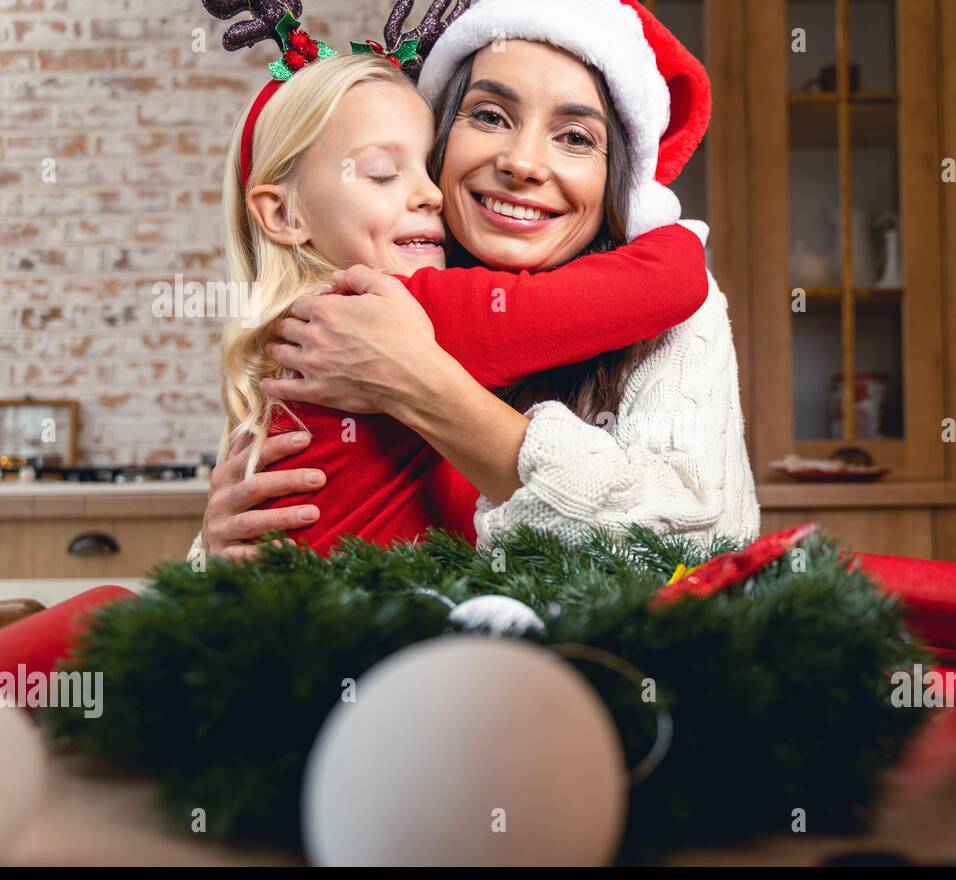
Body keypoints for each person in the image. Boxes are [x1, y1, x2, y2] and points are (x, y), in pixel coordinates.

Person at [203, 0, 759, 555]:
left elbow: (699, 554)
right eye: (490, 116)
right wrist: (215, 546)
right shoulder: (386, 301)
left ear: (621, 175)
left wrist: (421, 382)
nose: (523, 162)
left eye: (575, 137)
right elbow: (668, 279)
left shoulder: (348, 303)